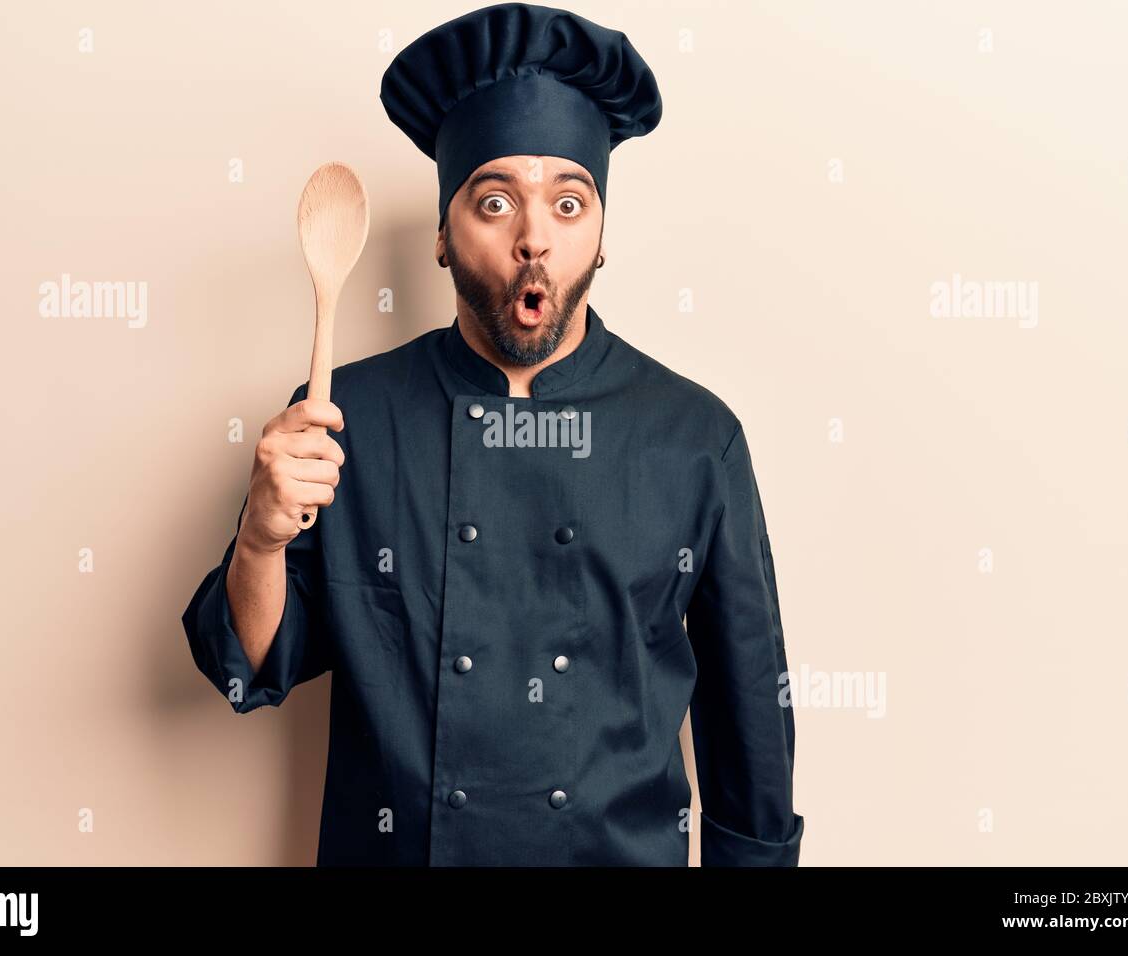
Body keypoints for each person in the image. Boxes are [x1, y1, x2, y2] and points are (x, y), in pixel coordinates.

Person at [182, 1, 804, 866]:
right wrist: (258, 537)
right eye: (496, 200)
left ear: (601, 236)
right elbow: (252, 669)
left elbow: (748, 724)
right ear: (442, 234)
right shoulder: (345, 417)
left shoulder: (695, 438)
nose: (534, 239)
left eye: (569, 202)